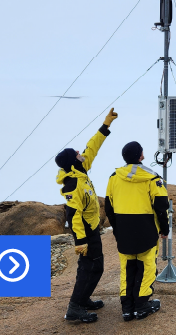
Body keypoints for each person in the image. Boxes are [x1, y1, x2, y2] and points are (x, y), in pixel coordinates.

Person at [56, 109, 117, 323]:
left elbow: (93, 147)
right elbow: (73, 214)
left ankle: (83, 300)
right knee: (89, 267)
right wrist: (80, 241)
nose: (81, 153)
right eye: (77, 154)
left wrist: (105, 125)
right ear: (73, 161)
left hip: (92, 229)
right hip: (85, 232)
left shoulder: (80, 169)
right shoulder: (73, 183)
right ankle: (74, 307)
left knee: (96, 266)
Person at [103, 141, 170, 321]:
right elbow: (162, 206)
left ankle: (127, 308)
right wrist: (165, 229)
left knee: (127, 269)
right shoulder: (152, 177)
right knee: (147, 267)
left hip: (124, 232)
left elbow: (108, 207)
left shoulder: (114, 177)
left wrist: (117, 230)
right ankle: (141, 306)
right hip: (146, 231)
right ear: (141, 156)